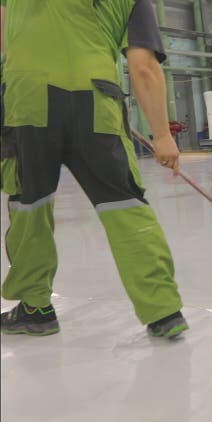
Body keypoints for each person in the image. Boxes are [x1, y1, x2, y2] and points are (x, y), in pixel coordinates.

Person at [0, 0, 188, 338]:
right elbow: (143, 66)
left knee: (31, 204)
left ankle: (35, 307)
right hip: (96, 99)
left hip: (27, 100)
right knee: (124, 203)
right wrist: (162, 136)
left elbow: (6, 39)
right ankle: (163, 311)